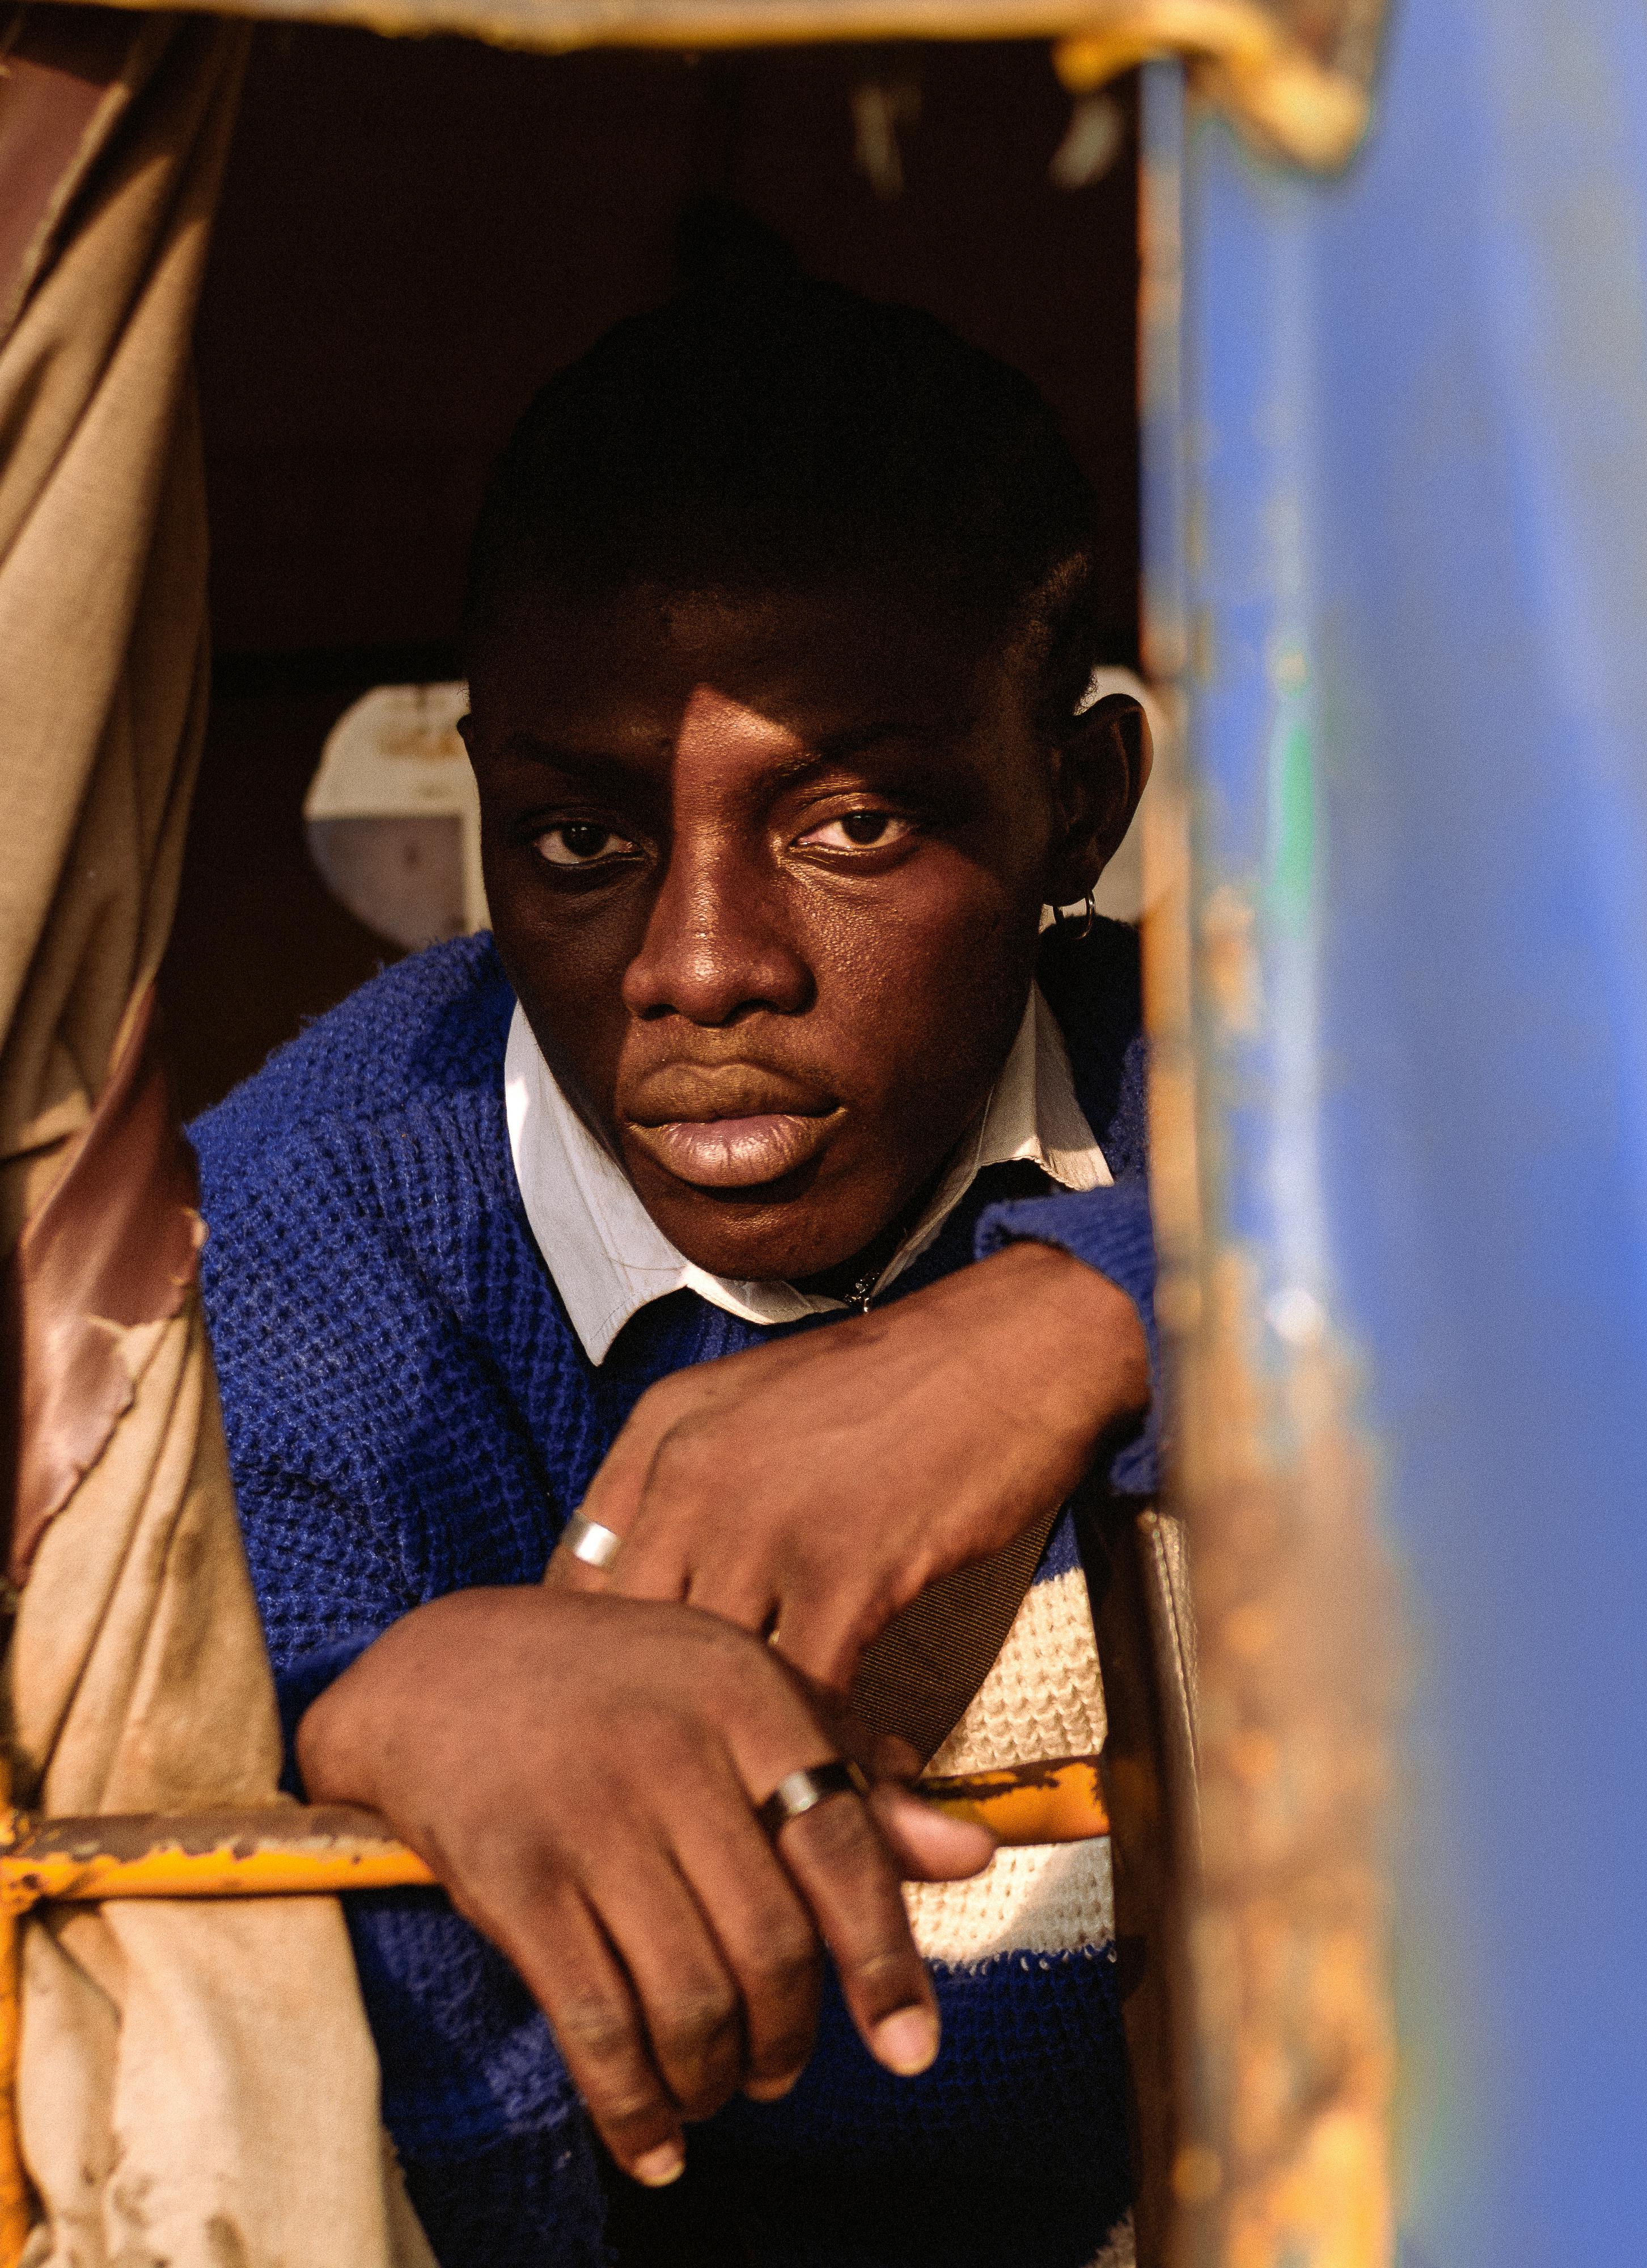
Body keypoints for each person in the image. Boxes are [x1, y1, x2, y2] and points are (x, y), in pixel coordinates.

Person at [188, 219, 1161, 2264]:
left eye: (855, 827)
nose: (702, 970)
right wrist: (384, 1708)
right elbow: (172, 1680)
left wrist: (1096, 1317)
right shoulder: (313, 1238)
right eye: (579, 841)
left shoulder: (1274, 1101)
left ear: (1076, 799)